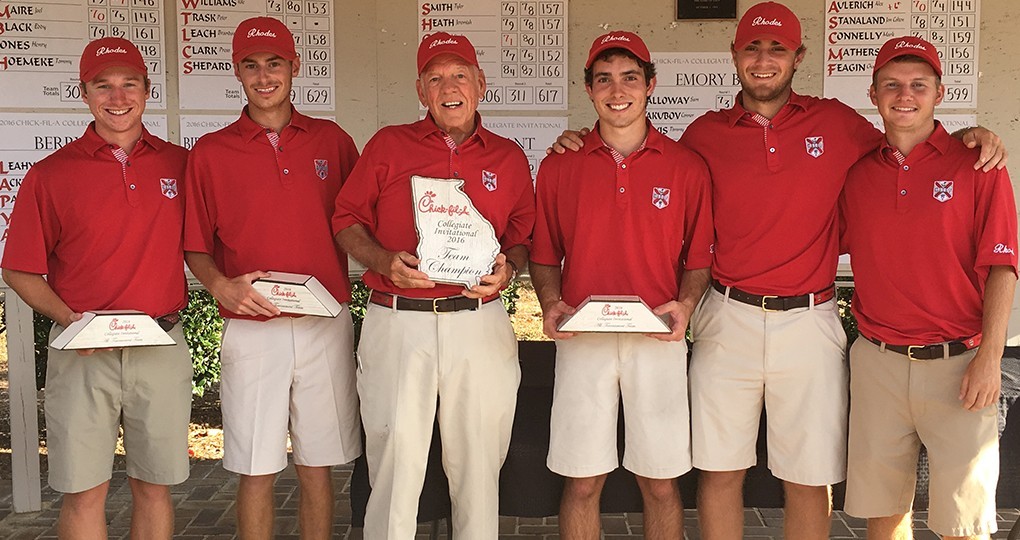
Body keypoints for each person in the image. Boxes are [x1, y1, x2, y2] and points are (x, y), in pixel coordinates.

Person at [550, 3, 1006, 538]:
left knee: (808, 478)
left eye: (778, 49)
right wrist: (577, 140)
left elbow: (907, 135)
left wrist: (972, 134)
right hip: (727, 312)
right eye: (752, 48)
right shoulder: (702, 135)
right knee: (720, 470)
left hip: (810, 320)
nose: (764, 60)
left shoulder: (836, 123)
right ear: (734, 55)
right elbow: (642, 151)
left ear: (798, 57)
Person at [332, 32, 535, 539]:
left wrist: (509, 267)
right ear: (421, 91)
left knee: (479, 466)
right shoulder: (387, 145)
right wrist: (382, 259)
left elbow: (522, 236)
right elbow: (345, 219)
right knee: (395, 467)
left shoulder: (508, 158)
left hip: (477, 323)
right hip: (400, 320)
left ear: (480, 84)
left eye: (460, 75)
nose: (449, 87)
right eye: (435, 77)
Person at [1, 37, 191, 538]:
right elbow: (18, 269)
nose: (117, 96)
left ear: (147, 91)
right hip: (82, 354)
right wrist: (73, 322)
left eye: (129, 83)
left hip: (160, 344)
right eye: (102, 85)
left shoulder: (181, 166)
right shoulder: (49, 175)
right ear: (83, 94)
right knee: (84, 492)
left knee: (155, 486)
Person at [530, 31, 713, 539]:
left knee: (659, 482)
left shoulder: (685, 166)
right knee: (583, 482)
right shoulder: (559, 164)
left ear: (650, 85)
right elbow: (544, 254)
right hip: (583, 340)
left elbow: (699, 258)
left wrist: (687, 305)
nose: (618, 90)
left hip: (657, 340)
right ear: (589, 89)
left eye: (630, 77)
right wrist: (550, 302)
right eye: (604, 79)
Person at [183, 16, 361, 538]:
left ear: (295, 67)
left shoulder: (332, 141)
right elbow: (195, 244)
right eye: (251, 65)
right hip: (252, 326)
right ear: (237, 72)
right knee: (255, 467)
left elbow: (363, 222)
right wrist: (221, 286)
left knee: (318, 465)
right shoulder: (211, 152)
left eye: (274, 63)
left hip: (322, 324)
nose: (264, 77)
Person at [840, 36, 1016, 540]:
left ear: (939, 92)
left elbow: (1003, 267)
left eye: (919, 84)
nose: (905, 95)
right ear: (873, 94)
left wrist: (990, 357)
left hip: (961, 362)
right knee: (883, 512)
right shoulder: (855, 171)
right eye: (892, 85)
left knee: (964, 522)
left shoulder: (979, 164)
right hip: (878, 360)